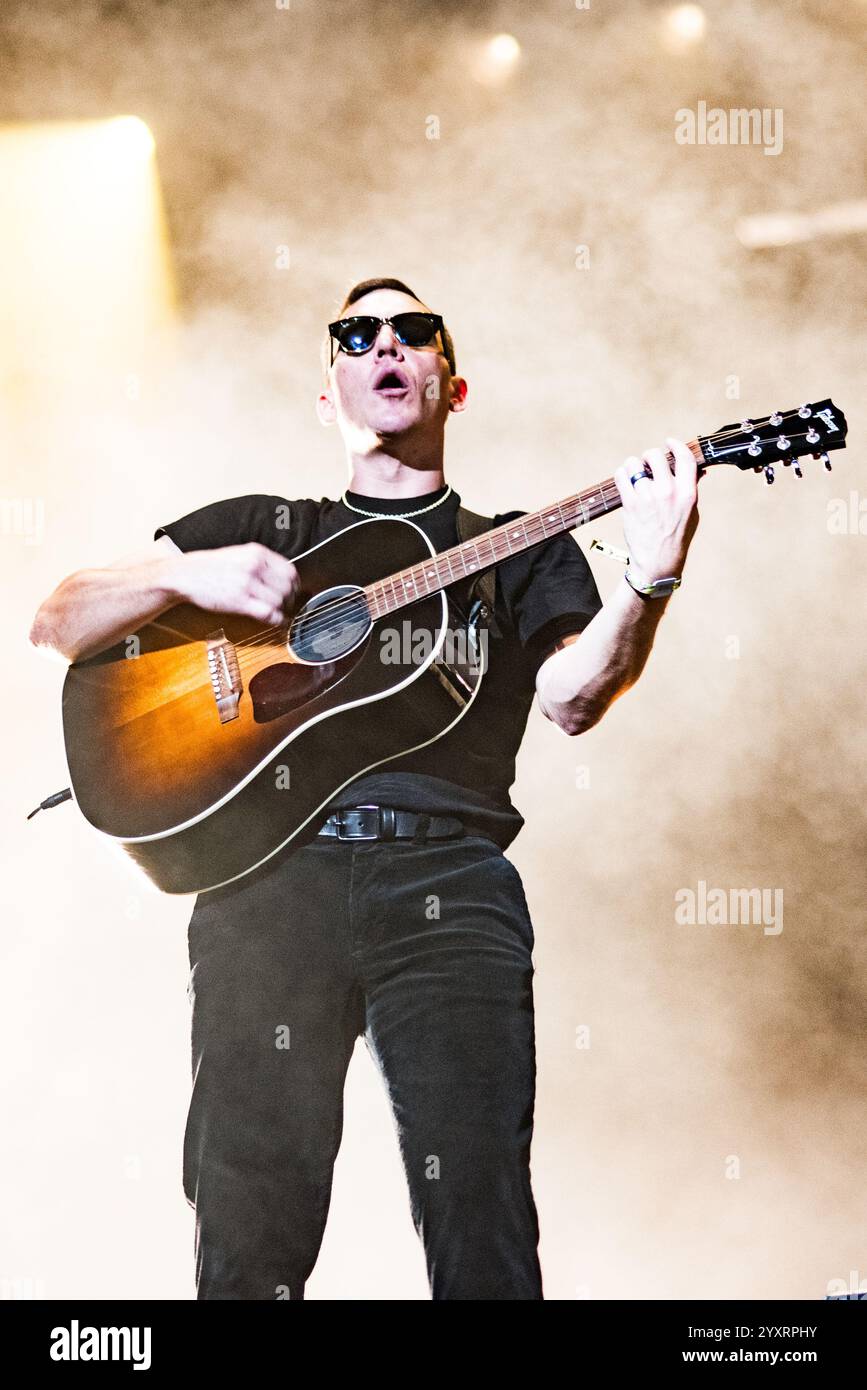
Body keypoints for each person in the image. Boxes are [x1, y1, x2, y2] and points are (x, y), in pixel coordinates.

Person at [29, 276, 700, 1300]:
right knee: (249, 1204)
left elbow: (573, 697)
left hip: (451, 885)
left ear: (451, 384)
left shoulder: (518, 549)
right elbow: (62, 618)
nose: (385, 344)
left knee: (479, 1200)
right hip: (266, 880)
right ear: (327, 392)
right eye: (356, 333)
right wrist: (185, 577)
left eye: (413, 331)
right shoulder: (265, 526)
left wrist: (648, 578)